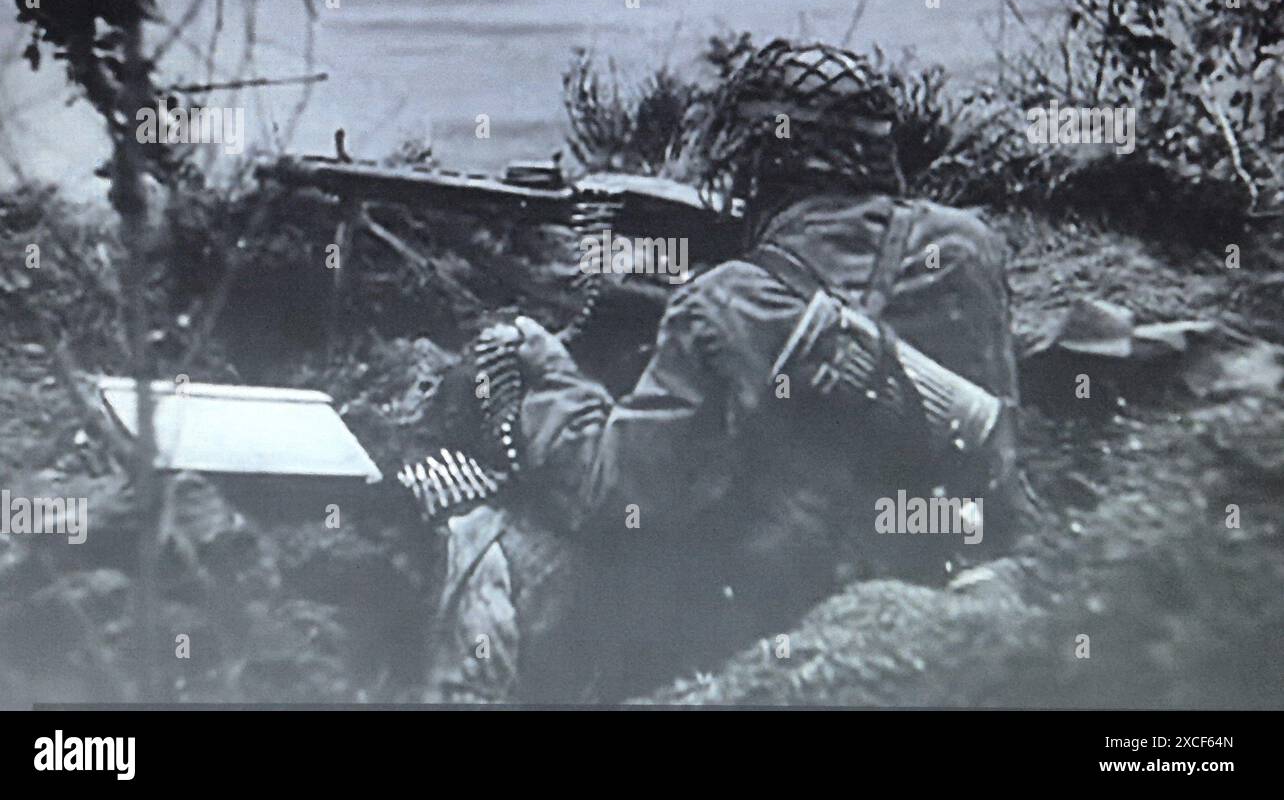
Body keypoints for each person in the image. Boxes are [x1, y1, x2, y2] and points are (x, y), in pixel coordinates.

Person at [421, 39, 1029, 703]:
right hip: (955, 576)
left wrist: (551, 382)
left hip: (782, 624)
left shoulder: (729, 300)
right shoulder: (969, 249)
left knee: (480, 542)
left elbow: (613, 491)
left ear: (760, 163)